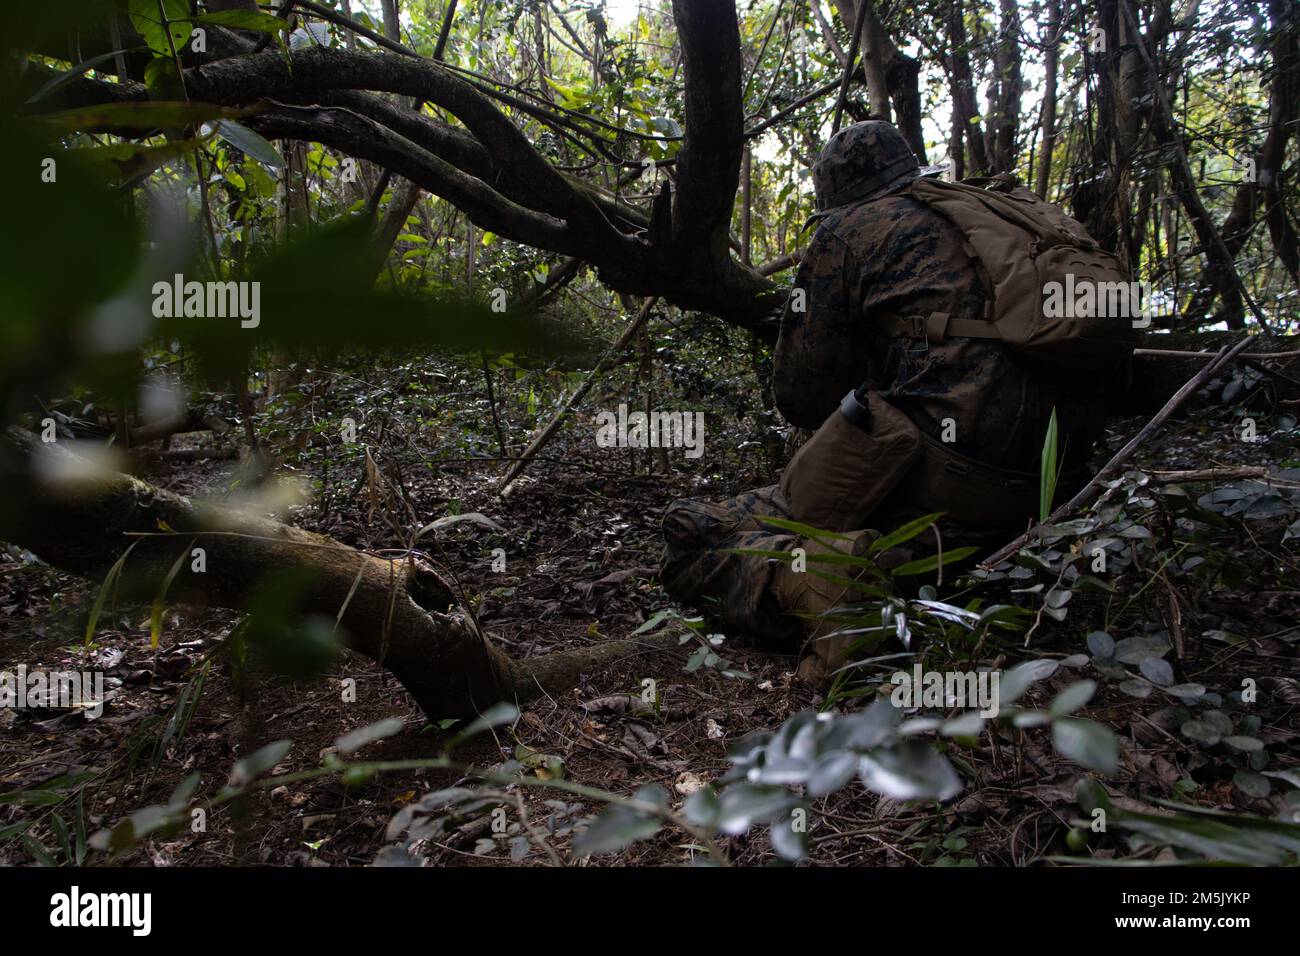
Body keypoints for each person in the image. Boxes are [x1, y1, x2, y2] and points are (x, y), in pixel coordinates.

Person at [660, 121, 1115, 686]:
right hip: (1055, 500)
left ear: (836, 195)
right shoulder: (1002, 217)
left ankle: (829, 583)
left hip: (938, 495)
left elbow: (800, 397)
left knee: (689, 531)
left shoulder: (852, 231)